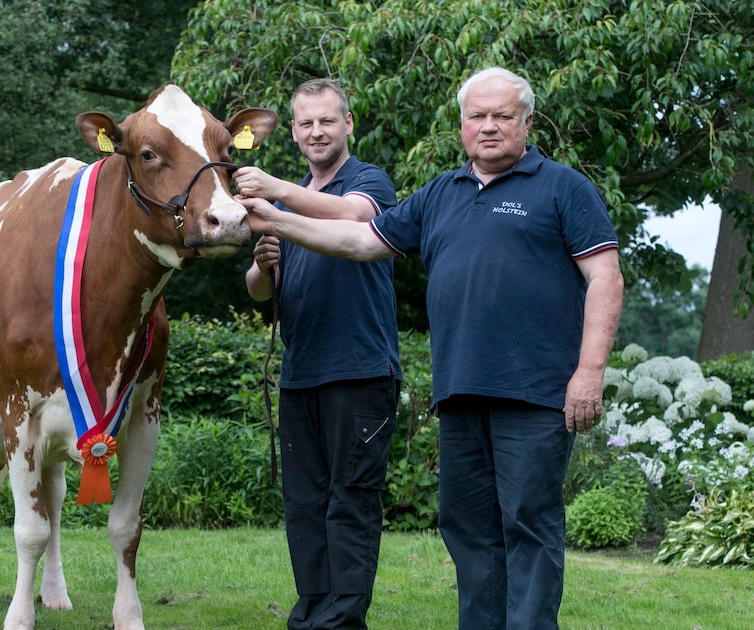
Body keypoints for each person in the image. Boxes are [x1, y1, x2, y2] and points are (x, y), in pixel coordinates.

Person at [240, 67, 624, 629]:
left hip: (535, 392)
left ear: (527, 123)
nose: (488, 126)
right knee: (467, 529)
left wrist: (589, 372)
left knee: (528, 523)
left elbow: (606, 277)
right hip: (460, 391)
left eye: (502, 116)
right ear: (462, 124)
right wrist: (277, 219)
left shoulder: (563, 187)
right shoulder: (441, 194)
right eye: (477, 116)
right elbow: (359, 240)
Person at [234, 78, 401, 629]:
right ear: (294, 131)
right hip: (301, 373)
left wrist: (273, 190)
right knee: (305, 506)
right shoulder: (292, 197)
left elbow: (353, 218)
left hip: (360, 370)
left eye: (327, 120)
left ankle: (341, 621)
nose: (316, 132)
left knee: (350, 501)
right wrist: (264, 263)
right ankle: (310, 615)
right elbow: (257, 289)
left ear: (348, 123)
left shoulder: (367, 181)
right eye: (305, 123)